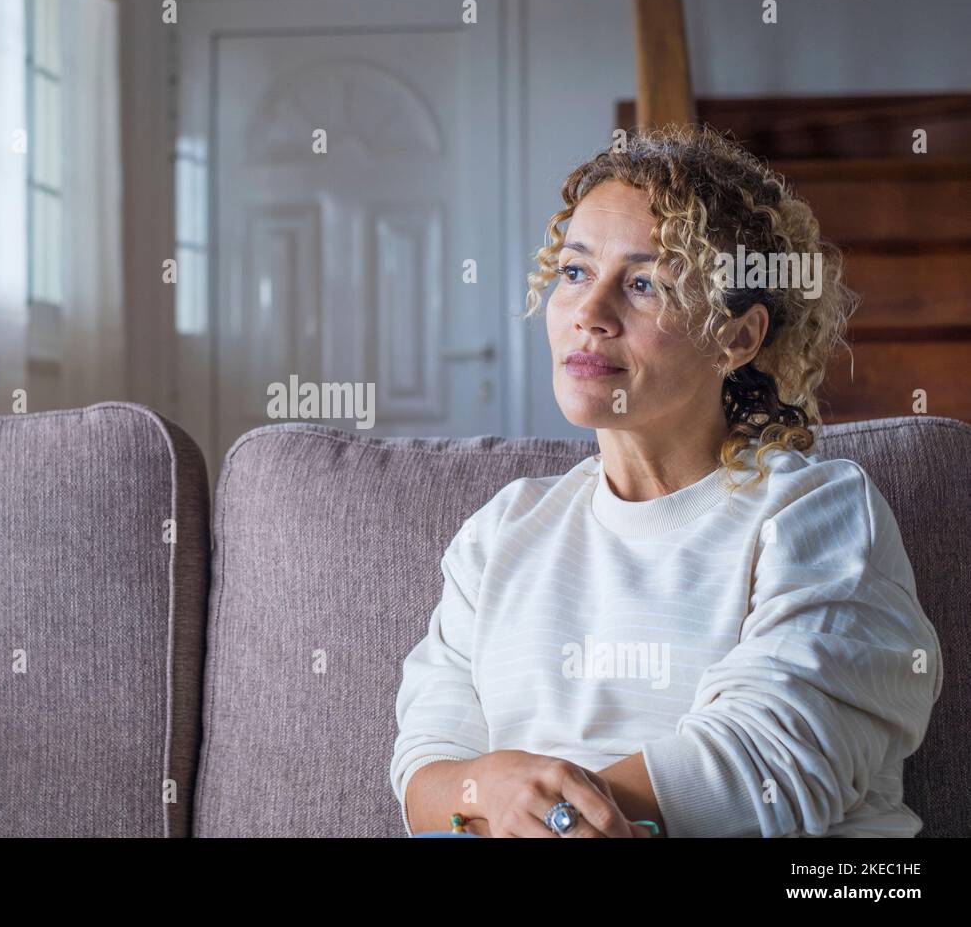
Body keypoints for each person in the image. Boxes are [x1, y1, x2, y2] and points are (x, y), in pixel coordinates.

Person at [390, 125, 944, 838]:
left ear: (737, 338)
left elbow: (772, 756)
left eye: (645, 283)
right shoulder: (503, 531)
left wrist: (539, 817)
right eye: (574, 272)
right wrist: (487, 788)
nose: (589, 315)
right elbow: (428, 768)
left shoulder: (816, 511)